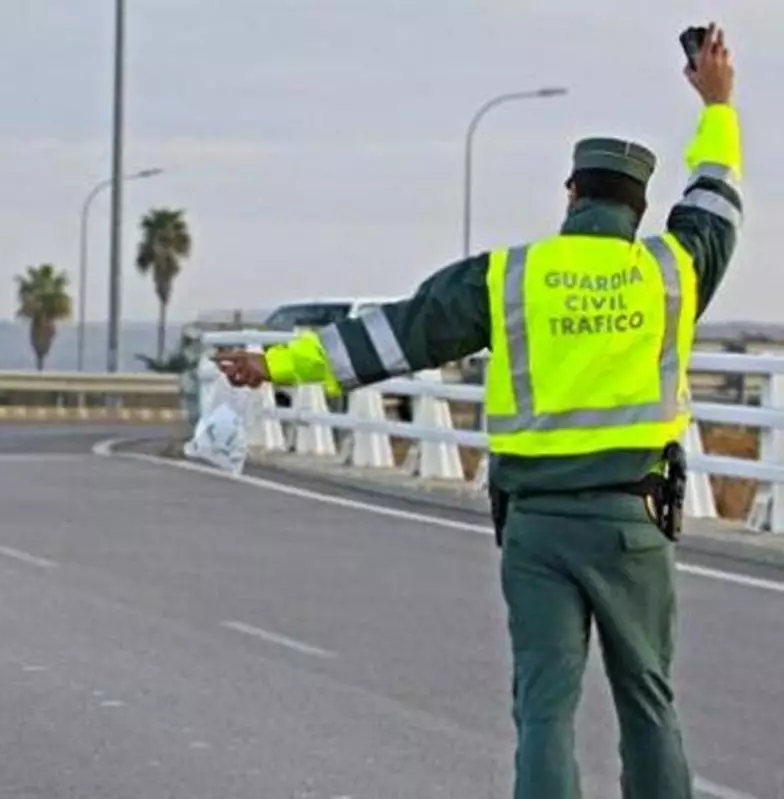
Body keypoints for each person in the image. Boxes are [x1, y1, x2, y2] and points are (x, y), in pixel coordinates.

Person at [216, 23, 739, 799]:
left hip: (536, 528)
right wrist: (717, 102)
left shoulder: (509, 277)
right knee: (648, 704)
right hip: (632, 525)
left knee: (544, 710)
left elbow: (400, 333)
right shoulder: (670, 272)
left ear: (571, 196)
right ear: (638, 210)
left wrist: (278, 363)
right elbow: (714, 199)